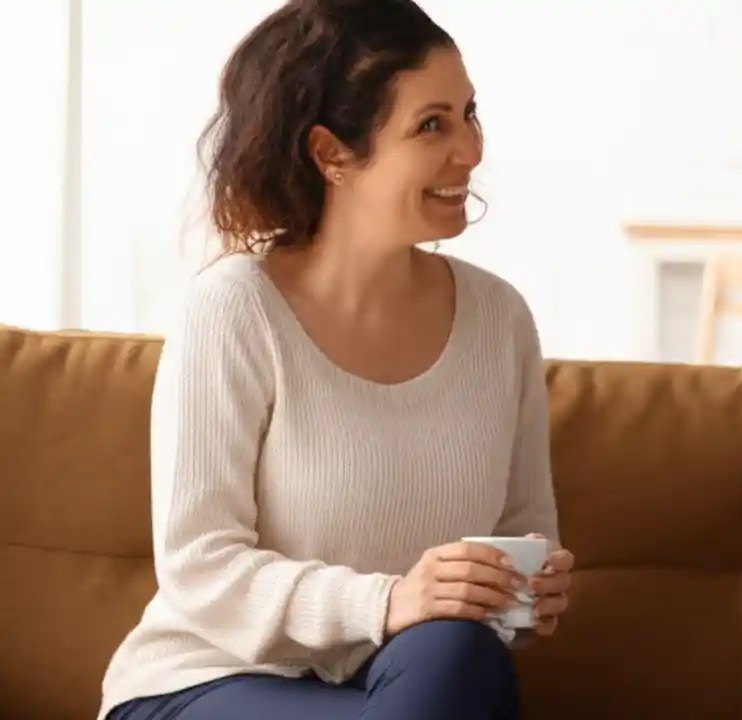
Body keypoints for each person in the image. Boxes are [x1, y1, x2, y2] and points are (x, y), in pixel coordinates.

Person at [98, 1, 574, 718]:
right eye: (432, 125)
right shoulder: (235, 309)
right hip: (209, 680)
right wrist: (387, 600)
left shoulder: (499, 320)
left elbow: (523, 529)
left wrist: (526, 590)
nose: (471, 151)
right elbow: (200, 566)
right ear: (331, 154)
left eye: (469, 114)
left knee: (462, 651)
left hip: (403, 687)